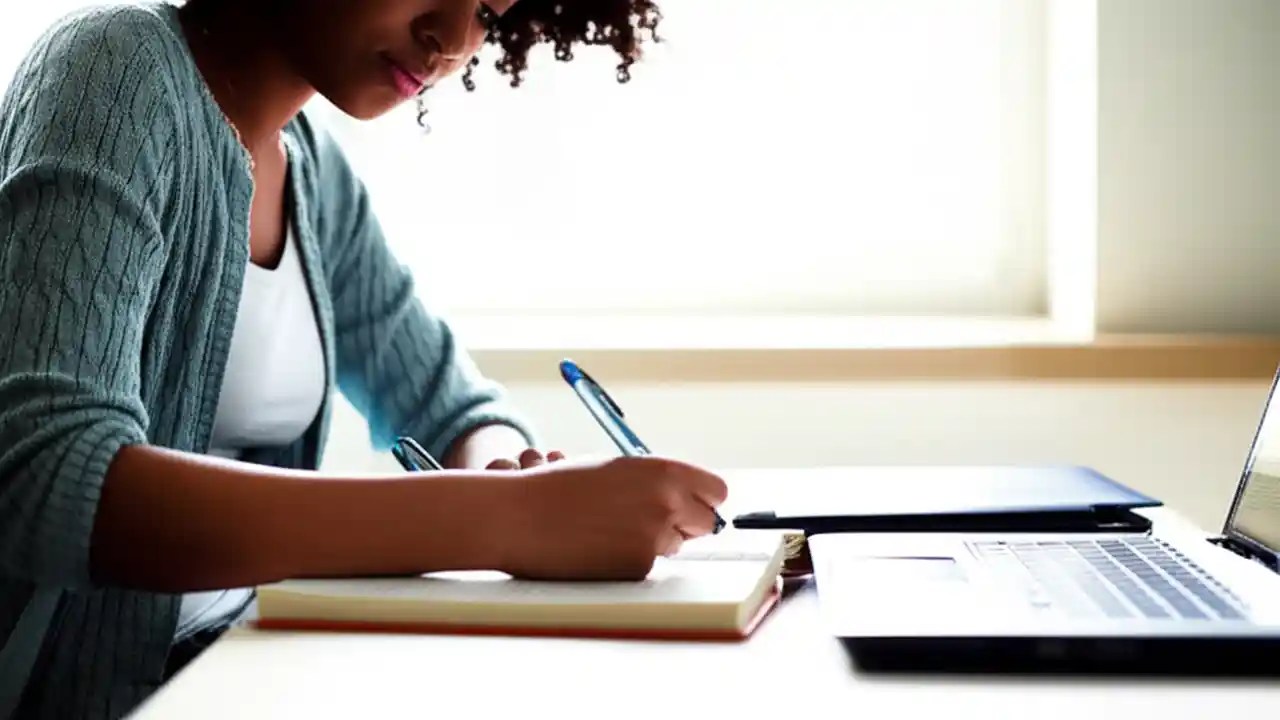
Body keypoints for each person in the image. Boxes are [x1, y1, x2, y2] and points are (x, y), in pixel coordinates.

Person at [0, 1, 727, 717]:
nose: (451, 37)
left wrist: (515, 476)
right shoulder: (112, 72)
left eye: (488, 11)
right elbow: (51, 476)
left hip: (237, 675)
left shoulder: (309, 170)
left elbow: (455, 408)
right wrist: (502, 518)